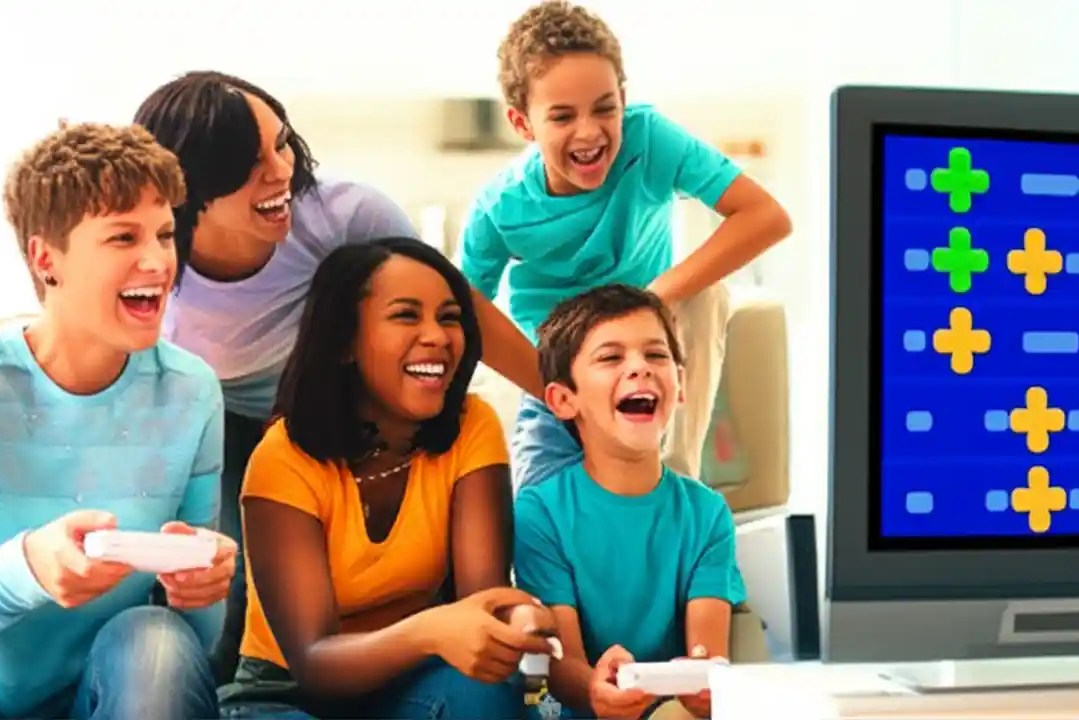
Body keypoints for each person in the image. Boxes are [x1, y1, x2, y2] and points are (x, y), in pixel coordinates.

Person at [133, 72, 546, 679]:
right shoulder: (158, 252)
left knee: (412, 583)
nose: (280, 170)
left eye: (282, 144)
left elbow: (453, 302)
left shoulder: (341, 214)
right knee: (228, 599)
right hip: (219, 423)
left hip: (328, 410)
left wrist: (563, 396)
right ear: (190, 185)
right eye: (250, 163)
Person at [0, 122, 237, 719]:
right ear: (46, 259)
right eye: (123, 237)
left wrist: (202, 589)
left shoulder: (191, 391)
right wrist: (23, 571)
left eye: (165, 234)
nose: (157, 260)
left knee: (154, 639)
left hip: (103, 702)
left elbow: (196, 645)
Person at [458, 0, 794, 492]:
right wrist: (556, 389)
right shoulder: (499, 207)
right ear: (523, 123)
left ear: (623, 98)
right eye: (562, 116)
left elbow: (767, 216)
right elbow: (462, 307)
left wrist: (654, 298)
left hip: (647, 342)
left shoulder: (649, 140)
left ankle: (673, 475)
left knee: (708, 295)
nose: (589, 132)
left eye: (604, 108)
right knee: (539, 511)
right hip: (562, 373)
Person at [218, 237, 558, 720]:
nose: (437, 336)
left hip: (414, 684)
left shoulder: (472, 425)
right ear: (344, 343)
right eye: (405, 316)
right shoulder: (283, 457)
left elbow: (481, 601)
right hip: (287, 693)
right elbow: (313, 661)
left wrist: (518, 620)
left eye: (449, 317)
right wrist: (429, 631)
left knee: (486, 691)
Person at [514, 284, 747, 720]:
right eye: (610, 357)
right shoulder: (538, 513)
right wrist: (594, 688)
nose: (640, 367)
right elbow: (560, 666)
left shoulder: (708, 514)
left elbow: (708, 656)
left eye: (656, 355)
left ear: (680, 385)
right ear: (563, 400)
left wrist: (706, 685)